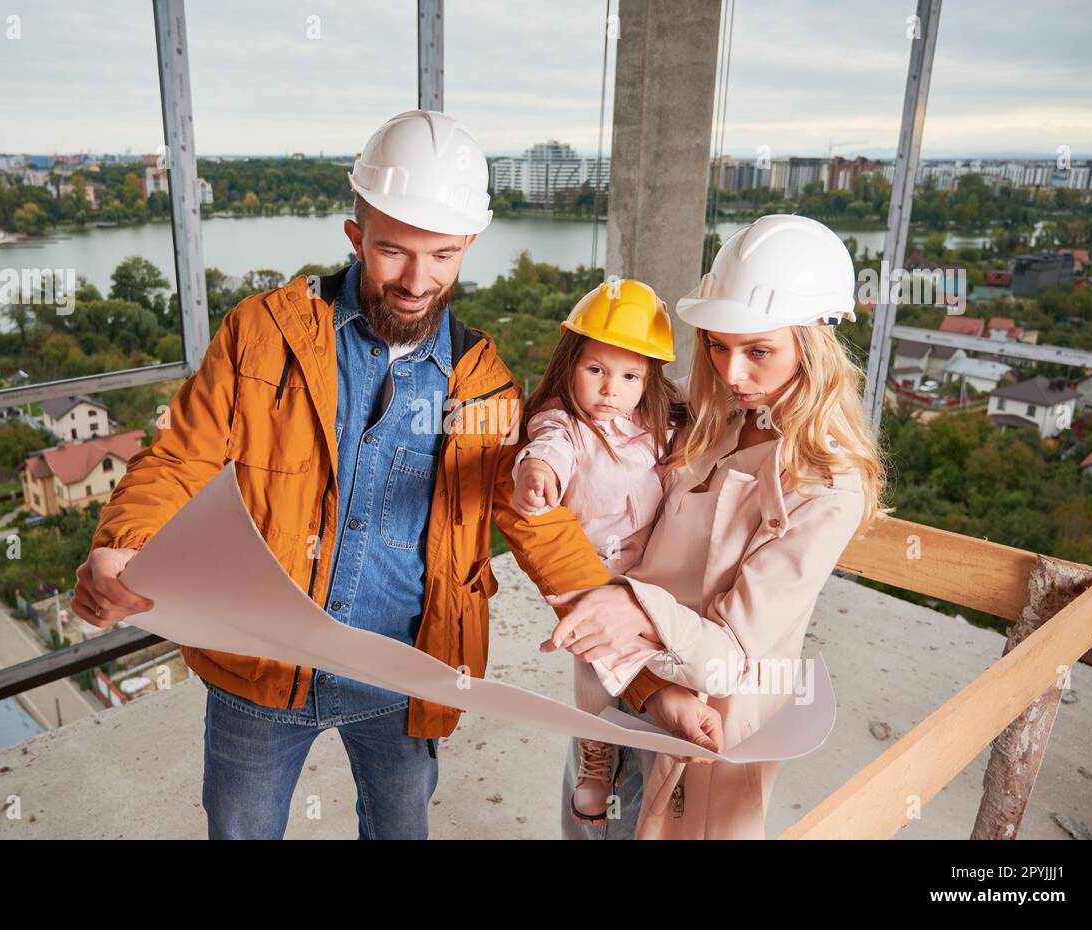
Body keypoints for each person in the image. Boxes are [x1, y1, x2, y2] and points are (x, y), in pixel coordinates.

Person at [70, 109, 664, 840]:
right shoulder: (260, 336)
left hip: (404, 673)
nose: (418, 280)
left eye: (443, 256)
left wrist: (630, 649)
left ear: (468, 246)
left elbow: (532, 517)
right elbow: (178, 458)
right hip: (259, 666)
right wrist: (123, 542)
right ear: (356, 236)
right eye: (393, 252)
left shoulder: (482, 385)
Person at [546, 213, 887, 839]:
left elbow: (728, 660)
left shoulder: (826, 486)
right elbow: (581, 422)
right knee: (584, 828)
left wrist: (631, 602)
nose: (732, 373)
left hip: (701, 720)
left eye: (759, 351)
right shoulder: (701, 414)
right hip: (619, 676)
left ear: (813, 344)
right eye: (717, 344)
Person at [509, 278, 685, 822]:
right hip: (593, 576)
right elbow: (547, 449)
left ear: (649, 378)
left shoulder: (657, 423)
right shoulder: (567, 424)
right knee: (595, 660)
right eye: (596, 371)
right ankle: (597, 747)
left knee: (665, 660)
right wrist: (536, 473)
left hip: (652, 577)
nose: (612, 389)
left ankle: (668, 764)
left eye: (630, 375)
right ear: (569, 365)